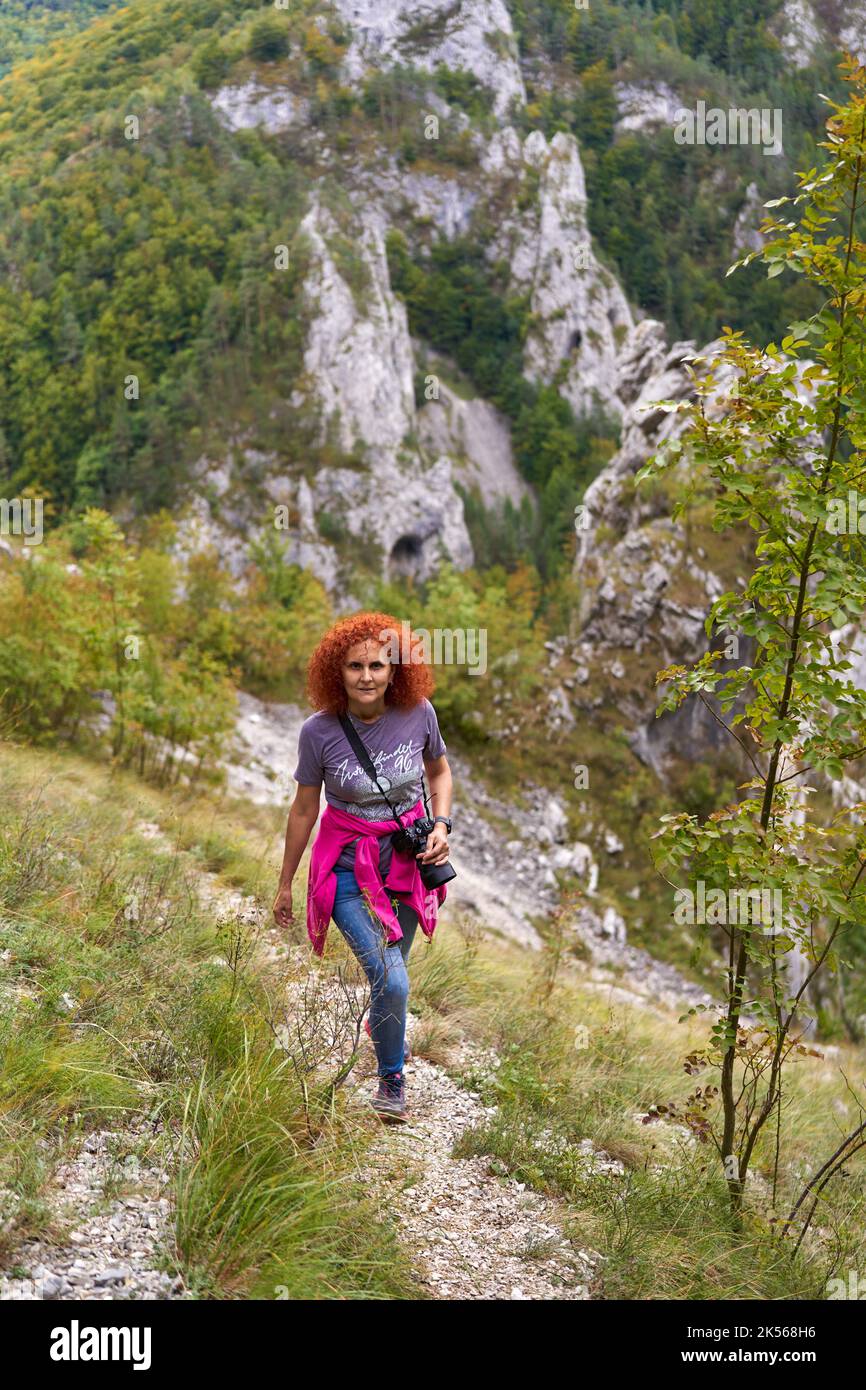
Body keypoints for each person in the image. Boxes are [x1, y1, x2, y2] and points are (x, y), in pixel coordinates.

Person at [272, 611, 453, 1123]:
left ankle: (384, 1026)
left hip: (407, 862)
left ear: (395, 671)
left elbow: (439, 771)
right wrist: (286, 883)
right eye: (355, 666)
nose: (367, 676)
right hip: (347, 868)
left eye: (377, 665)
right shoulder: (319, 733)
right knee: (392, 979)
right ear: (338, 672)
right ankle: (392, 1081)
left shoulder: (419, 712)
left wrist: (441, 826)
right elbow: (305, 808)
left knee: (389, 972)